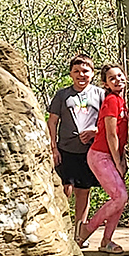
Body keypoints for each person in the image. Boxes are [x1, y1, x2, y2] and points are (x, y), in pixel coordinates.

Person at [47, 54, 105, 237]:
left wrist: (95, 131)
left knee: (83, 191)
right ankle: (61, 229)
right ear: (71, 74)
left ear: (92, 73)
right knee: (65, 189)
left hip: (90, 151)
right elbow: (52, 121)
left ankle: (79, 232)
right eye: (77, 71)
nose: (81, 75)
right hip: (65, 149)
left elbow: (108, 121)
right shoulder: (62, 95)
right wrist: (53, 147)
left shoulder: (100, 94)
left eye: (85, 71)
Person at [78, 64, 129, 253]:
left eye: (120, 76)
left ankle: (107, 241)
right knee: (120, 196)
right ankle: (86, 229)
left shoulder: (121, 101)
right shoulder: (111, 101)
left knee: (119, 198)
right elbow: (110, 134)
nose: (118, 80)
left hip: (114, 155)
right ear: (105, 83)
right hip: (101, 155)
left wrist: (122, 158)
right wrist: (118, 162)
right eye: (112, 78)